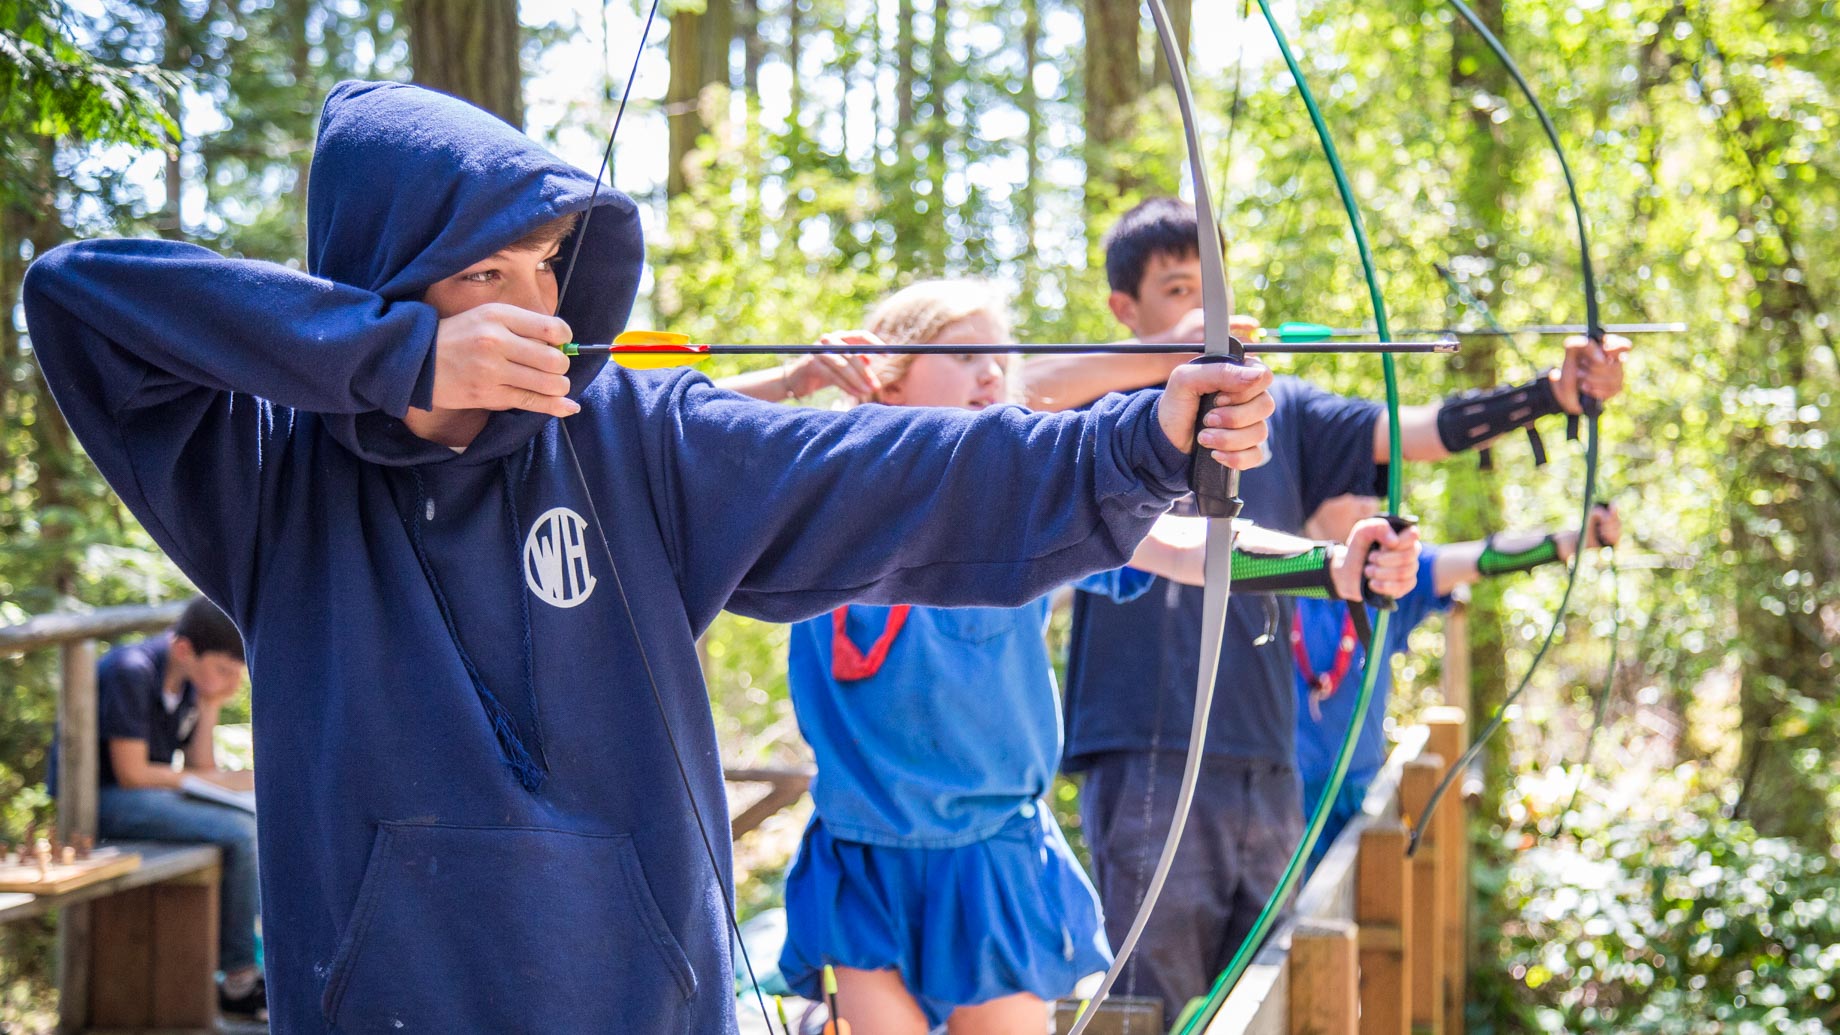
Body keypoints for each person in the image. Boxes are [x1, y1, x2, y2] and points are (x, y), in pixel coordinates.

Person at [22, 83, 1274, 1034]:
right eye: (483, 272)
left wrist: (1143, 437)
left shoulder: (641, 438)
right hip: (375, 998)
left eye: (548, 270)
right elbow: (79, 297)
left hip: (637, 994)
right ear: (381, 283)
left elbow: (900, 476)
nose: (538, 310)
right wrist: (396, 363)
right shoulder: (267, 477)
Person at [1030, 196, 1631, 1016]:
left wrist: (1548, 395)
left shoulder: (1286, 411)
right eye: (1178, 290)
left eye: (1215, 285)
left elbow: (1423, 429)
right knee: (1152, 1003)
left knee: (1272, 1001)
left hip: (1269, 758)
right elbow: (1016, 391)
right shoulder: (1095, 412)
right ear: (1124, 310)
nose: (1205, 307)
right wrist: (1164, 360)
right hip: (1152, 752)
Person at [769, 281, 1420, 1034]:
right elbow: (659, 425)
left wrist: (1335, 567)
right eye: (965, 354)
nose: (992, 375)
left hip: (991, 864)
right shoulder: (809, 481)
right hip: (864, 856)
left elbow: (1180, 544)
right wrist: (794, 380)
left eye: (1001, 361)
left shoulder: (1025, 490)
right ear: (883, 375)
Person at [1293, 497, 1622, 864]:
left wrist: (1568, 541)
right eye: (1351, 490)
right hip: (1277, 800)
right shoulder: (1266, 569)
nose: (1368, 503)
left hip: (1360, 797)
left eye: (1373, 489)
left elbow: (1481, 559)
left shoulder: (1383, 577)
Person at [72, 597, 263, 1018]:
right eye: (223, 670)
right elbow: (132, 773)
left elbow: (199, 765)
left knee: (256, 816)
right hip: (100, 803)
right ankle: (239, 978)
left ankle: (259, 960)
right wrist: (214, 782)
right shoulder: (132, 670)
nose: (229, 680)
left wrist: (211, 703)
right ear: (183, 650)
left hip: (151, 798)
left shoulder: (193, 681)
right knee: (242, 830)